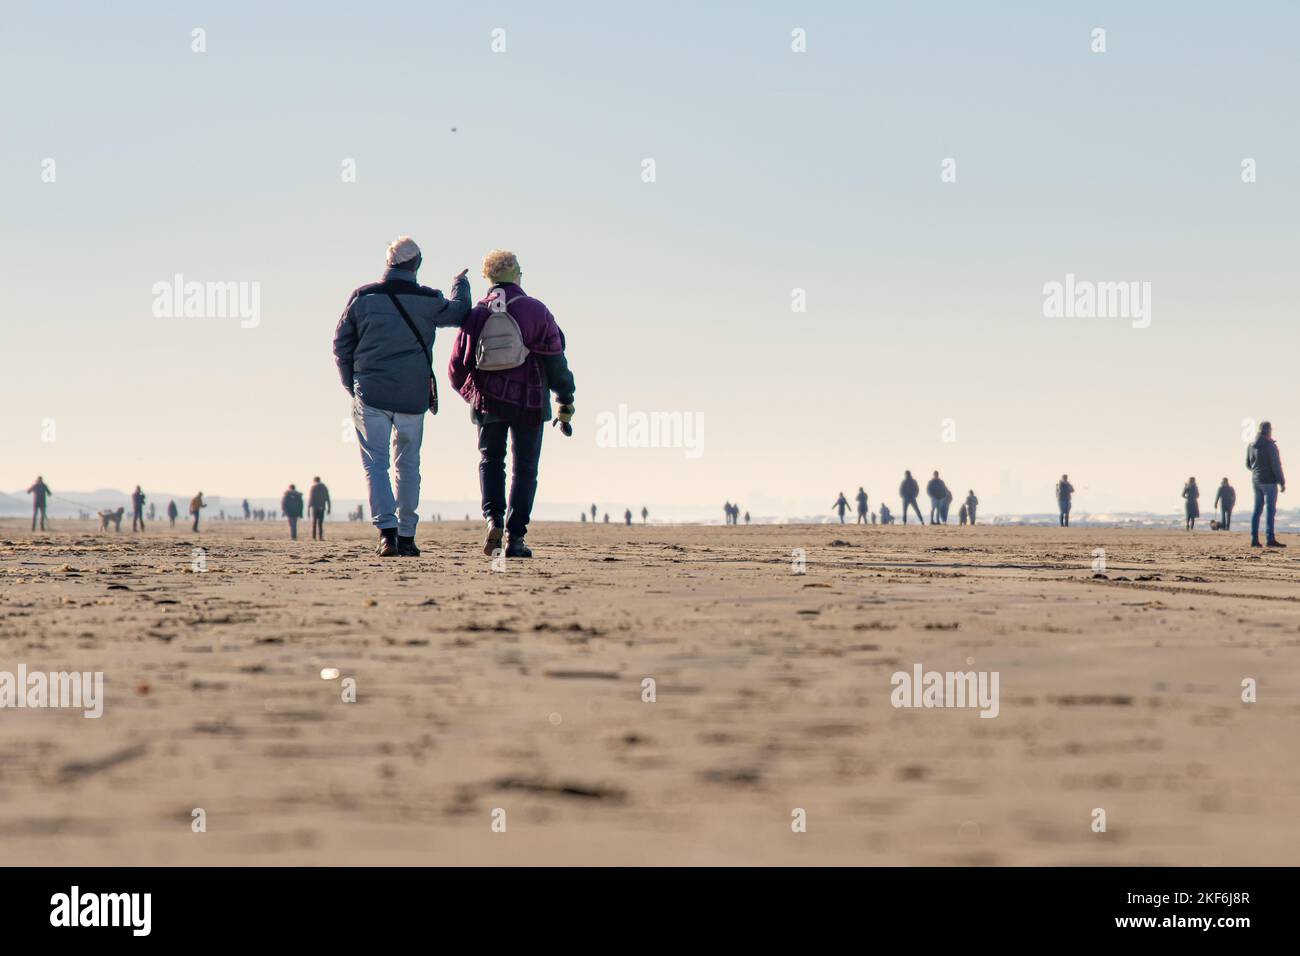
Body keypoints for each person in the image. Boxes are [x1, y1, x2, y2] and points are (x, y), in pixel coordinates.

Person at [334, 236, 471, 557]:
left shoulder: (363, 298)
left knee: (376, 465)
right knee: (408, 466)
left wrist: (350, 385)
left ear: (388, 264)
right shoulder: (429, 300)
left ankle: (387, 534)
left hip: (371, 394)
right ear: (417, 265)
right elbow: (462, 313)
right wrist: (460, 283)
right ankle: (407, 536)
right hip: (412, 397)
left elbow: (341, 346)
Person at [448, 249, 574, 559]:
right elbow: (556, 364)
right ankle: (515, 538)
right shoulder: (536, 311)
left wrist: (474, 395)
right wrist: (565, 398)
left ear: (487, 278)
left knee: (491, 462)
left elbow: (455, 369)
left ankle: (493, 519)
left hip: (489, 403)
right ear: (518, 273)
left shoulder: (477, 315)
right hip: (529, 402)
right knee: (525, 469)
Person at [1247, 421, 1286, 548]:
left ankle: (1254, 539)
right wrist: (1282, 482)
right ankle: (1270, 538)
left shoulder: (1251, 445)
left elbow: (1248, 464)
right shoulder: (1270, 446)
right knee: (1270, 510)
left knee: (1257, 509)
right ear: (1269, 430)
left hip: (1256, 480)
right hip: (1269, 481)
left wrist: (1257, 471)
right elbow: (1276, 465)